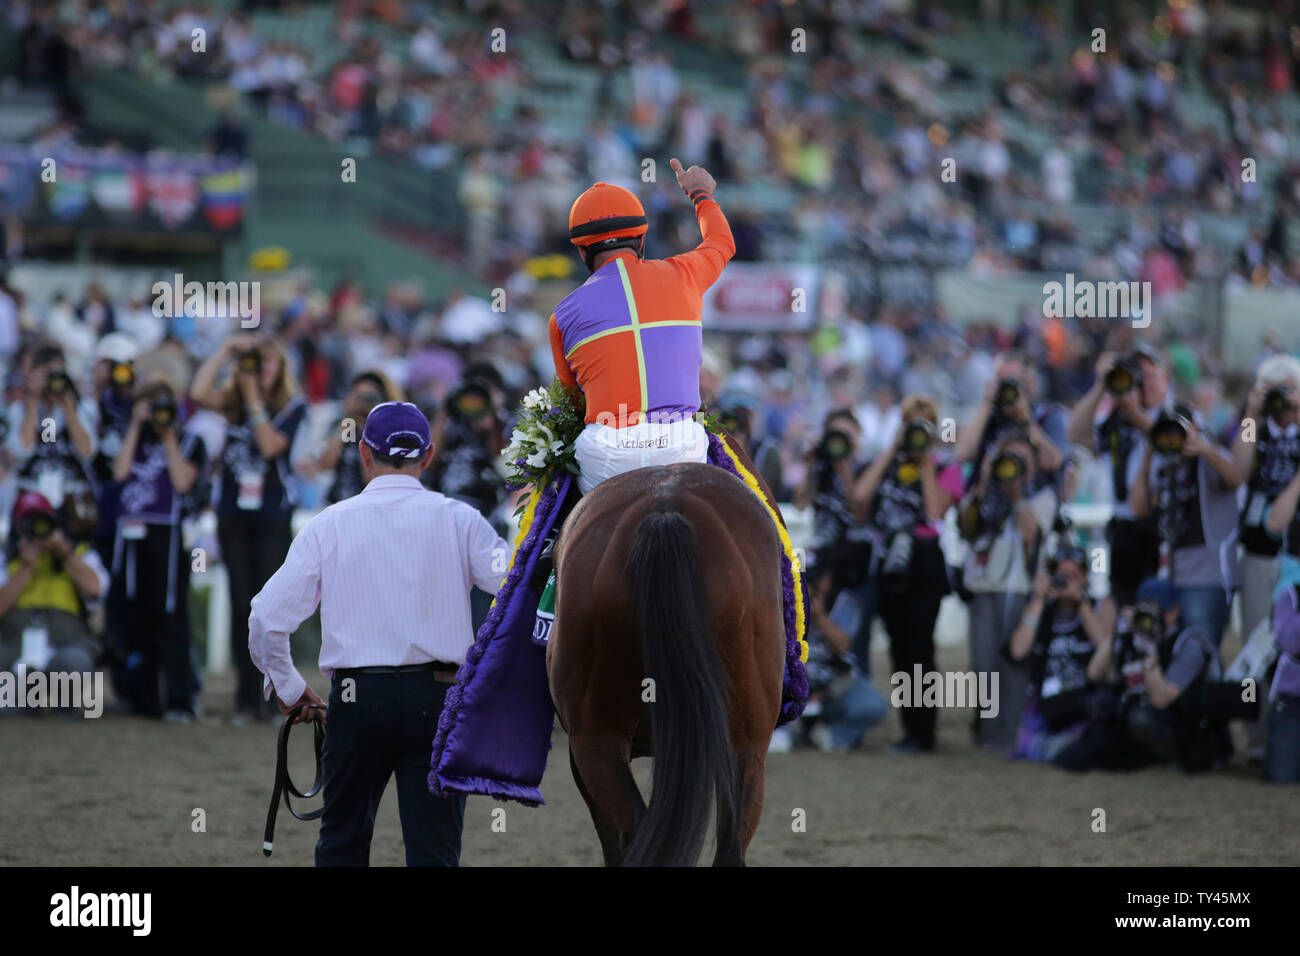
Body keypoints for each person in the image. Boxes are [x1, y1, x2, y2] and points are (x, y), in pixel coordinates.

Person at [248, 402, 509, 866]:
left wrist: (290, 688)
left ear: (364, 454)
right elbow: (517, 585)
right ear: (428, 456)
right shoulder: (460, 519)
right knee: (435, 851)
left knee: (342, 844)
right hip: (438, 699)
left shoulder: (329, 523)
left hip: (356, 699)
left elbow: (266, 617)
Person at [549, 159, 734, 495]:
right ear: (641, 239)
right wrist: (700, 194)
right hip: (681, 443)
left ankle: (544, 547)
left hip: (609, 452)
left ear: (580, 251)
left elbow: (575, 401)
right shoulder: (684, 273)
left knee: (556, 504)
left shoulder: (562, 316)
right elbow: (722, 242)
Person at [192, 333, 308, 722]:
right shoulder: (233, 402)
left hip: (272, 517)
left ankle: (275, 695)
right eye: (257, 363)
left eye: (270, 363)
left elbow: (271, 445)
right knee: (242, 605)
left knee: (271, 609)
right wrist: (226, 350)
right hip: (233, 516)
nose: (262, 370)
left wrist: (252, 398)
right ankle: (245, 698)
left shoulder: (293, 407)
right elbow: (196, 391)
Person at [850, 394, 963, 753]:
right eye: (908, 424)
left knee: (921, 650)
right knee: (899, 650)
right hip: (889, 561)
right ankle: (908, 730)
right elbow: (859, 498)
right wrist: (890, 451)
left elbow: (934, 512)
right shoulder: (886, 464)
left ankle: (924, 732)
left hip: (924, 561)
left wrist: (926, 460)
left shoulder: (947, 466)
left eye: (922, 425)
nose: (914, 432)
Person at [1055, 578, 1232, 773]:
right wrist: (1117, 632)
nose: (1149, 618)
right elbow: (1094, 673)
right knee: (1070, 758)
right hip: (1134, 725)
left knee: (1141, 719)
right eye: (1144, 610)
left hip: (1184, 729)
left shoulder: (1189, 644)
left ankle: (1167, 760)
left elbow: (1161, 699)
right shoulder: (1131, 635)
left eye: (1157, 610)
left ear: (1174, 611)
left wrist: (1149, 650)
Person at [110, 377, 208, 720]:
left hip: (170, 537)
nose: (159, 413)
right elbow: (119, 473)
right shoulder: (131, 438)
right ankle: (143, 699)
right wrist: (136, 427)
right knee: (137, 617)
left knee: (172, 617)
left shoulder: (191, 440)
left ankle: (181, 699)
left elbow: (183, 481)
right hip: (134, 536)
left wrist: (168, 439)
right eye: (152, 406)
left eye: (165, 405)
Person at [957, 429, 1059, 751]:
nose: (1012, 466)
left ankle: (1011, 736)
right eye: (1007, 458)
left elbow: (1032, 535)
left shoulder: (1043, 495)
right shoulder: (983, 493)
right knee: (983, 665)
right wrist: (985, 480)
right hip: (985, 586)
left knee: (1014, 665)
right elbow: (965, 527)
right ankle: (986, 736)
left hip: (1022, 588)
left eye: (1021, 459)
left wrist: (1017, 495)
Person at [1230, 354, 1300, 758]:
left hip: (1294, 551)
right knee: (1255, 641)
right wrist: (1253, 412)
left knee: (1292, 642)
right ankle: (1255, 740)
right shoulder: (1252, 425)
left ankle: (1285, 735)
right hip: (1258, 549)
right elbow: (1239, 467)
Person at [1129, 402, 1244, 646]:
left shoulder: (1210, 456)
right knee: (1174, 650)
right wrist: (1148, 454)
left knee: (1198, 648)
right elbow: (1138, 507)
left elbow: (1237, 478)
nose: (1172, 438)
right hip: (1172, 575)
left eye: (1178, 430)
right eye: (1165, 432)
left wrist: (1204, 449)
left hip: (1209, 576)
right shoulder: (1165, 464)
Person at [1066, 345, 1171, 607]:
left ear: (1165, 378)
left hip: (1161, 527)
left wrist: (1133, 412)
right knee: (1123, 607)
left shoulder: (1174, 414)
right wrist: (1102, 384)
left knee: (1156, 607)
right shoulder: (1117, 419)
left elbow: (1162, 436)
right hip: (1124, 526)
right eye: (1137, 377)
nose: (1143, 384)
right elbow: (1076, 434)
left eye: (1149, 376)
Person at [1007, 544, 1114, 762]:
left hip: (1085, 703)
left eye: (1074, 575)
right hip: (1047, 706)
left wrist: (1081, 602)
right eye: (1062, 575)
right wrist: (1038, 598)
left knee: (1074, 750)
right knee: (1031, 749)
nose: (1067, 581)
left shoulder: (1101, 605)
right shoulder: (1043, 610)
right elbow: (1018, 650)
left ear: (1086, 577)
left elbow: (1105, 646)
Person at [0, 491, 108, 685]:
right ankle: (24, 699)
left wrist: (64, 553)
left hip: (65, 642)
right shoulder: (8, 559)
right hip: (15, 645)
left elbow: (95, 589)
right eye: (29, 522)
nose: (37, 530)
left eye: (42, 522)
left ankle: (59, 703)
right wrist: (26, 568)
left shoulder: (79, 553)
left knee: (75, 662)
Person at [797, 571, 888, 752]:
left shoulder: (844, 600)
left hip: (832, 690)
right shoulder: (783, 597)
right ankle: (792, 734)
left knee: (874, 705)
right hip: (794, 691)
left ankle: (831, 736)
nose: (819, 586)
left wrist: (819, 616)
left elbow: (843, 646)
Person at [310, 370, 402, 506]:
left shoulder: (389, 430)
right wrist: (348, 419)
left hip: (369, 506)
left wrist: (371, 425)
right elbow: (326, 464)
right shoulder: (349, 426)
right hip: (338, 502)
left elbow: (369, 475)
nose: (363, 402)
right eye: (358, 396)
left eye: (369, 397)